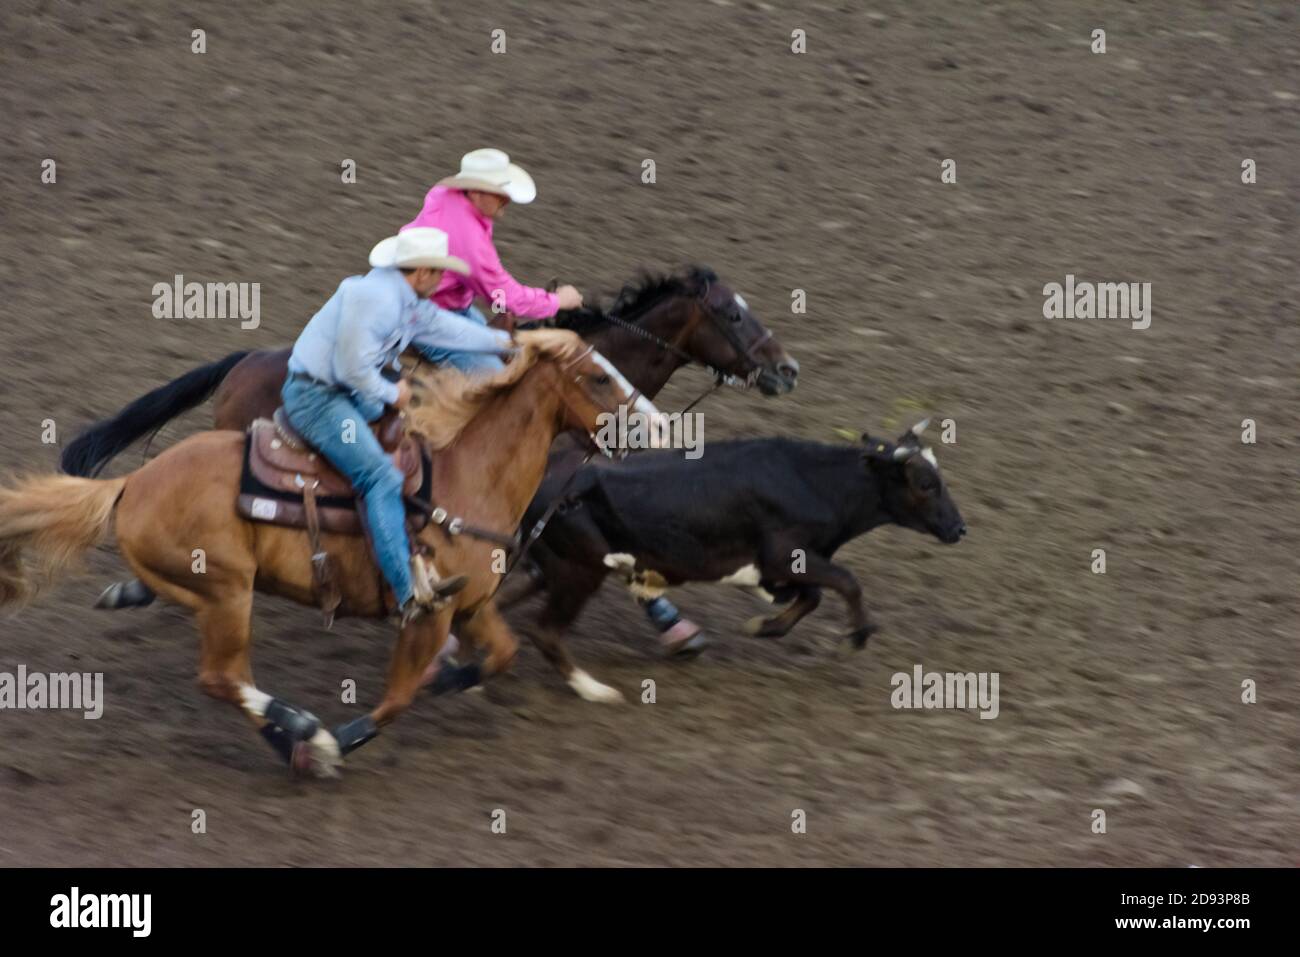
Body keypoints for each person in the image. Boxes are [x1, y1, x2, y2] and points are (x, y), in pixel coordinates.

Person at [282, 227, 513, 623]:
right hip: (317, 398)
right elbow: (350, 368)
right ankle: (406, 592)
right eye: (438, 272)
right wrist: (394, 396)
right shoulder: (377, 300)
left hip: (347, 392)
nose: (443, 280)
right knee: (380, 477)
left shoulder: (405, 298)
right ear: (421, 272)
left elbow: (449, 329)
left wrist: (509, 345)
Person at [400, 148, 583, 373]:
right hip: (424, 317)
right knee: (498, 382)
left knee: (513, 352)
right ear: (476, 193)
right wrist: (557, 301)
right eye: (499, 193)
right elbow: (507, 295)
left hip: (439, 304)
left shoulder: (446, 195)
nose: (507, 199)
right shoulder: (469, 239)